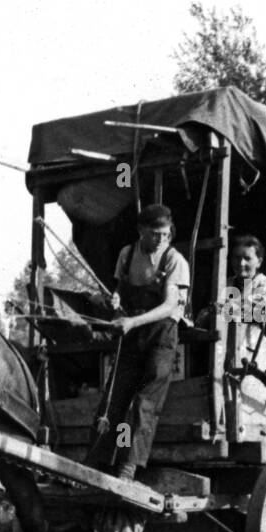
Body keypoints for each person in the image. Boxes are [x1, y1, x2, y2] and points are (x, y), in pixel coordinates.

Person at [87, 204, 190, 482]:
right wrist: (117, 300)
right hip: (132, 336)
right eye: (155, 234)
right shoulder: (127, 254)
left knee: (144, 404)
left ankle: (127, 467)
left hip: (162, 336)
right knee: (114, 398)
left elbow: (170, 306)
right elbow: (121, 289)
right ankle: (96, 463)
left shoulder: (174, 260)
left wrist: (131, 322)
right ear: (140, 231)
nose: (161, 240)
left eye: (166, 234)